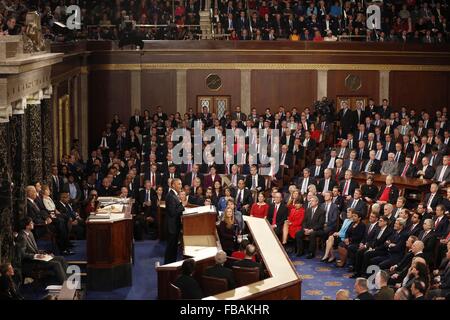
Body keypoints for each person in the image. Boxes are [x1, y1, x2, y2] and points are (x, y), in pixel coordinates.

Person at [17, 217, 68, 285]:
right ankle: (66, 284)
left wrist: (45, 254)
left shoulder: (30, 233)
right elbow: (22, 254)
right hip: (31, 262)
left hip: (38, 258)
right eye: (31, 223)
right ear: (27, 226)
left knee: (61, 258)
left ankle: (69, 280)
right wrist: (36, 255)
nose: (33, 224)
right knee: (56, 264)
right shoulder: (22, 236)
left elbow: (35, 250)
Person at [164, 178, 185, 264]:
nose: (181, 186)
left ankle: (171, 264)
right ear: (173, 185)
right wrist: (182, 205)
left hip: (174, 226)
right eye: (179, 184)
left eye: (181, 184)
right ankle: (168, 266)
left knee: (173, 248)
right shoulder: (171, 196)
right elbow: (173, 212)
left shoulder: (174, 195)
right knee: (171, 248)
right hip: (172, 227)